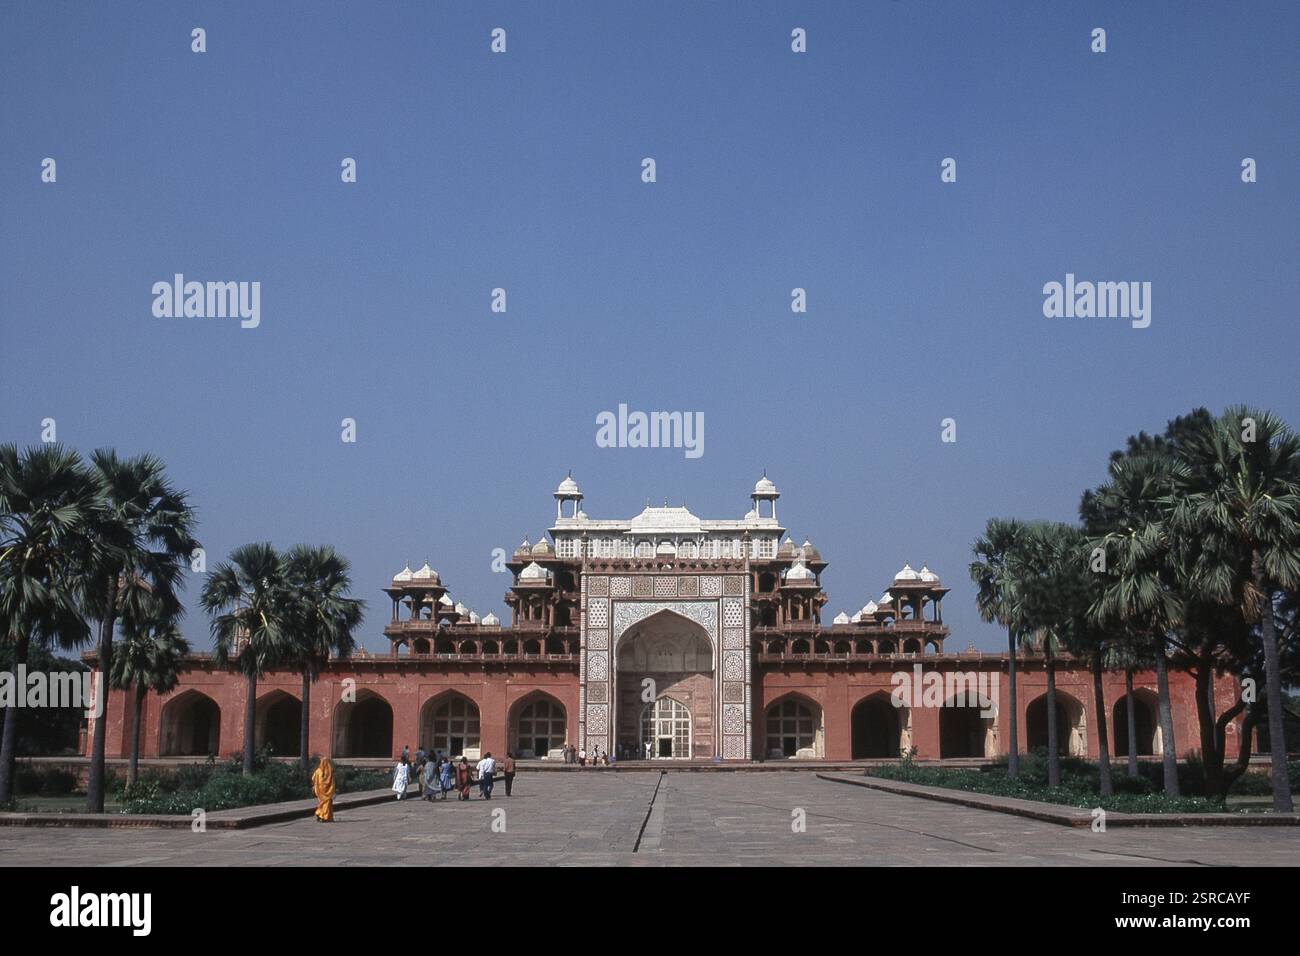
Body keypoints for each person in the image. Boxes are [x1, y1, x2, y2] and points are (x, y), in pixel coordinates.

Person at [311, 757, 336, 822]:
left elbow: (313, 778)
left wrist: (315, 786)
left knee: (322, 803)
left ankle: (320, 814)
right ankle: (323, 816)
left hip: (320, 791)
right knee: (327, 804)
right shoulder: (329, 772)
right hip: (328, 791)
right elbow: (332, 782)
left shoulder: (318, 771)